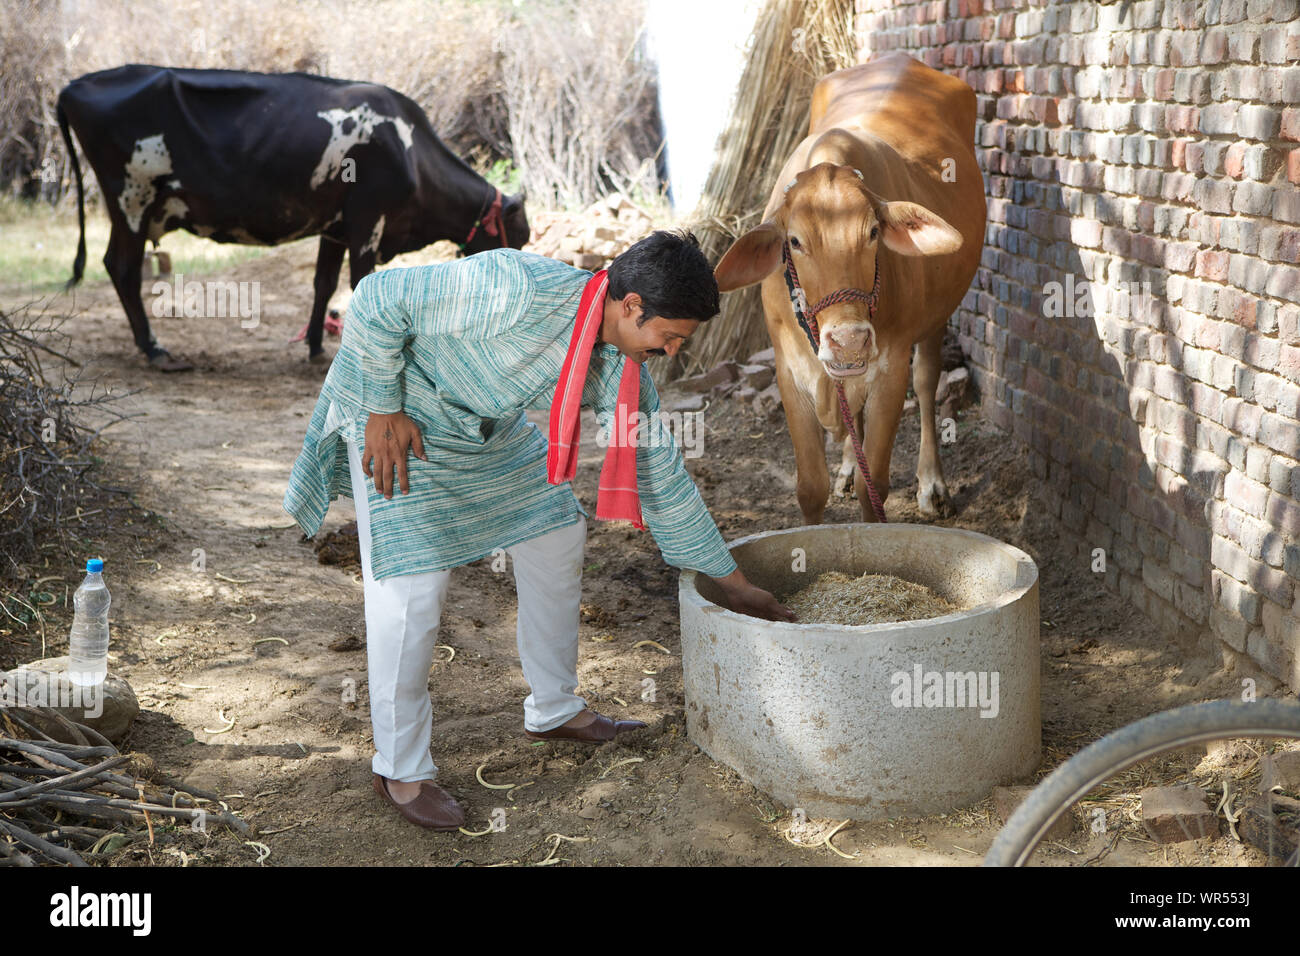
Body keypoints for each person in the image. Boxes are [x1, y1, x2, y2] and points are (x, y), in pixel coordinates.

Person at [283, 230, 794, 830]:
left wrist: (730, 582)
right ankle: (400, 768)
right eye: (670, 336)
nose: (673, 351)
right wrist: (381, 407)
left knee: (556, 531)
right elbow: (374, 298)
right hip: (404, 422)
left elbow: (662, 475)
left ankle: (554, 710)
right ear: (632, 307)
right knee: (411, 589)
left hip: (485, 432)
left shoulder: (618, 364)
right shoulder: (515, 288)